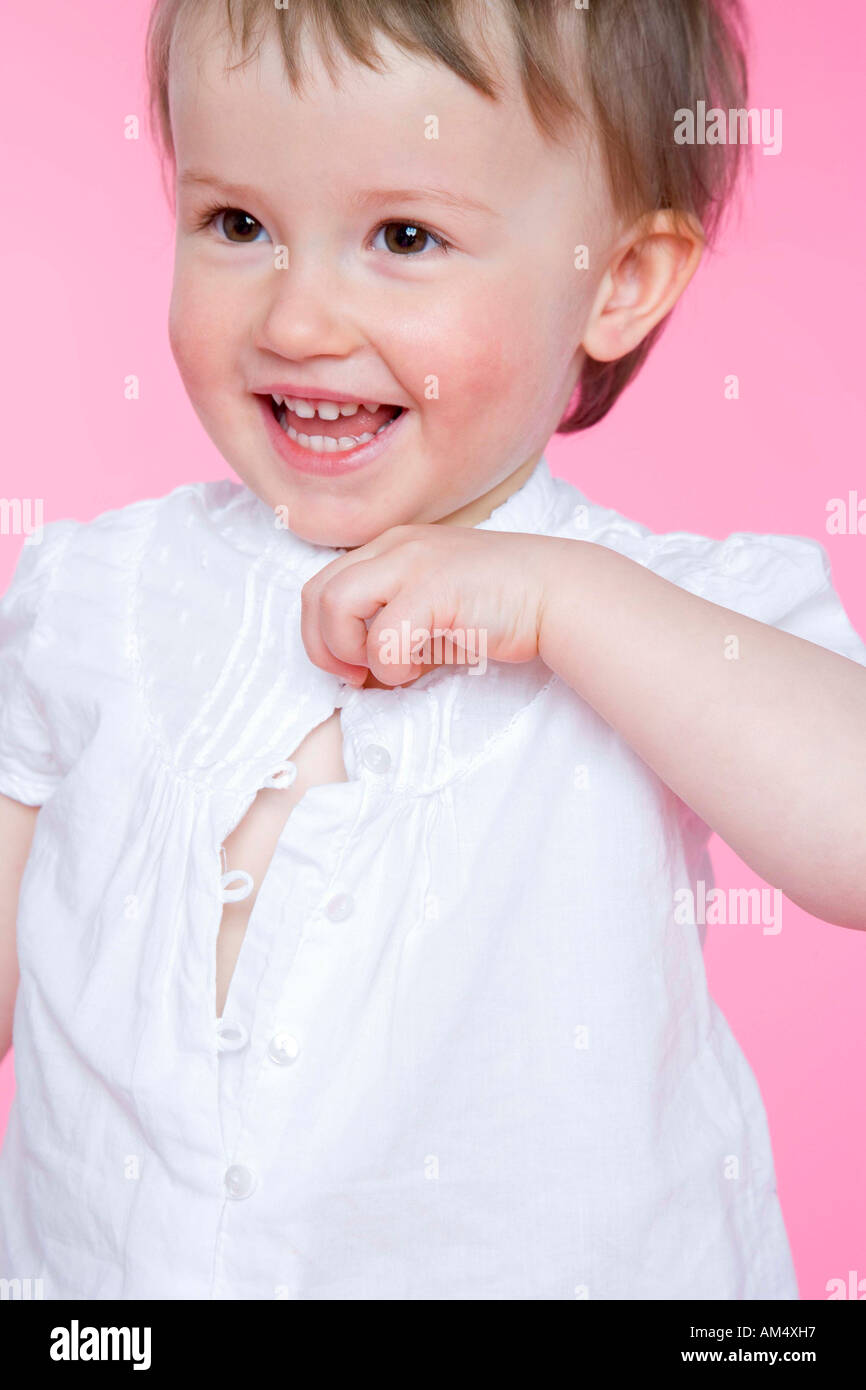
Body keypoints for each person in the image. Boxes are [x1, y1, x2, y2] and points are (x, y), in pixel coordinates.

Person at [1, 0, 864, 1299]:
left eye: (402, 237)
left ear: (616, 282)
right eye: (237, 223)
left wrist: (561, 606)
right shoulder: (95, 591)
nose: (296, 318)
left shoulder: (676, 613)